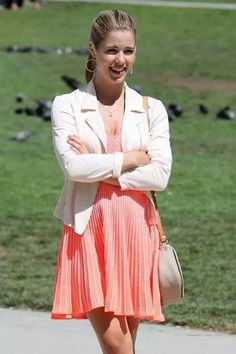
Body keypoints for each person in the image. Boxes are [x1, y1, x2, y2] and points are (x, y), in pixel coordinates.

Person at [50, 9, 172, 354]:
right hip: (89, 232)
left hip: (137, 230)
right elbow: (73, 167)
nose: (121, 60)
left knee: (124, 344)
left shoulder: (152, 109)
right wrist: (132, 159)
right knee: (117, 345)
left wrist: (100, 165)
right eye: (111, 50)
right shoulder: (68, 105)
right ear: (93, 50)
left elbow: (160, 174)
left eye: (128, 51)